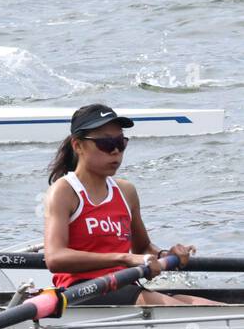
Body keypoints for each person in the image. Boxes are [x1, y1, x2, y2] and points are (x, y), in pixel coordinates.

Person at [43, 105, 220, 306]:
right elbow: (55, 258)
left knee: (219, 310)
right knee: (183, 311)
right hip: (82, 292)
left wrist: (166, 255)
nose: (116, 151)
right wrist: (124, 258)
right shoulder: (64, 191)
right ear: (78, 146)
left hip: (126, 287)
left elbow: (143, 247)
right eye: (106, 143)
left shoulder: (126, 192)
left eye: (121, 142)